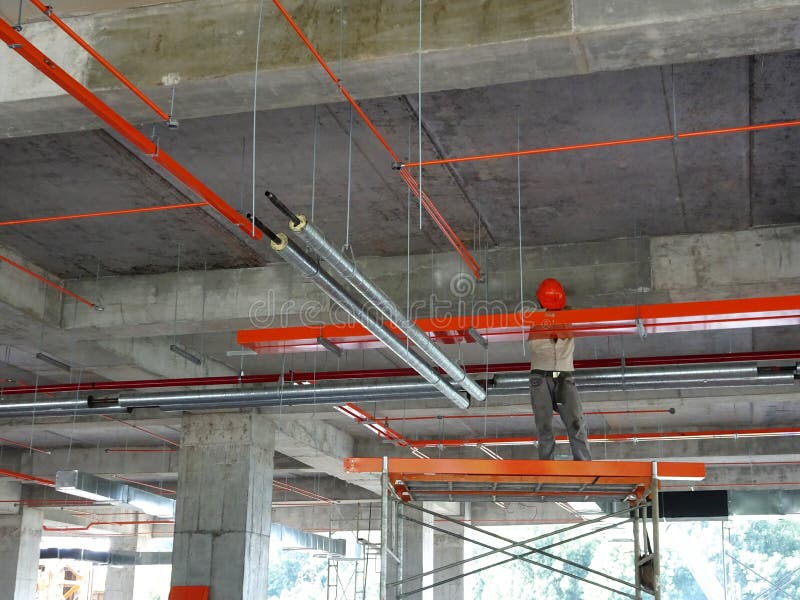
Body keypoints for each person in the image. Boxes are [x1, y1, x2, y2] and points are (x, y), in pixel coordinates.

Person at [528, 278, 592, 461]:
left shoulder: (568, 315)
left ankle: (583, 465)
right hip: (542, 375)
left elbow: (584, 315)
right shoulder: (534, 316)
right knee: (545, 426)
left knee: (576, 423)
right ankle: (547, 465)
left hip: (562, 374)